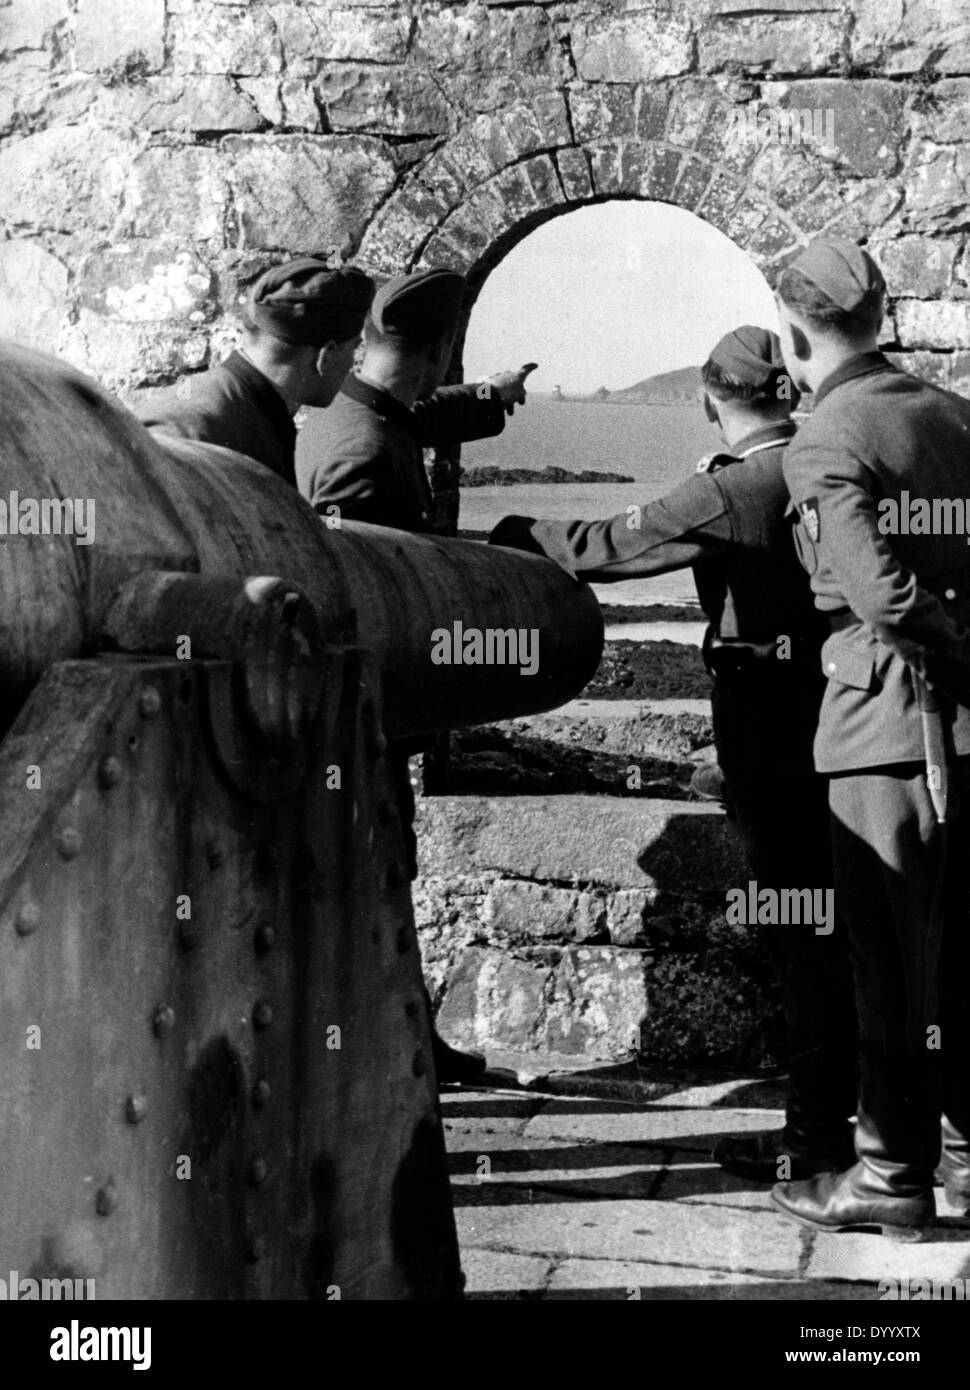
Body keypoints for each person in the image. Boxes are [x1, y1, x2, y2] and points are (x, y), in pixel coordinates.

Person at [489, 326, 858, 1181]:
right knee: (848, 932)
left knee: (800, 930)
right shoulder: (817, 465)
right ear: (788, 395)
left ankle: (812, 1147)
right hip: (841, 724)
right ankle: (870, 1128)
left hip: (772, 741)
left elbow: (610, 547)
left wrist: (502, 529)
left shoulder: (737, 486)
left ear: (708, 396)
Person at [769, 237, 970, 1237]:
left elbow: (876, 591)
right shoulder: (951, 416)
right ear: (880, 309)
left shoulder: (826, 434)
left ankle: (892, 1172)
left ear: (794, 330)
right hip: (961, 727)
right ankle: (965, 1168)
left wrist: (940, 638)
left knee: (889, 966)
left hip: (885, 727)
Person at [297, 266, 537, 1085]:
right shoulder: (358, 454)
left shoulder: (356, 411)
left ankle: (401, 1044)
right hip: (364, 722)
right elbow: (356, 602)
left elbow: (415, 412)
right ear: (437, 352)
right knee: (375, 875)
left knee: (382, 871)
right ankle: (391, 1055)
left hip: (368, 725)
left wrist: (491, 395)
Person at [296, 266, 536, 530]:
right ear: (439, 349)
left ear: (369, 338)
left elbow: (421, 415)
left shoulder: (346, 401)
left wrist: (490, 391)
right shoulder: (364, 456)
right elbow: (344, 551)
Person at [136, 257, 375, 487]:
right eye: (354, 348)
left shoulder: (239, 408)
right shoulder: (195, 430)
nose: (352, 364)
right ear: (326, 356)